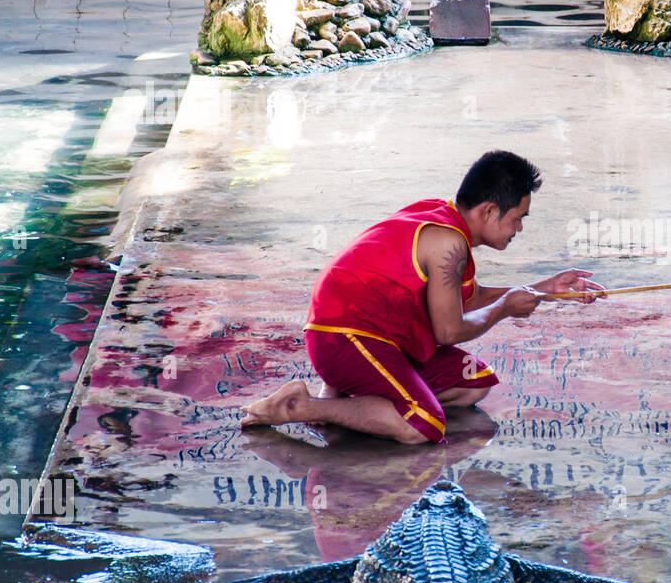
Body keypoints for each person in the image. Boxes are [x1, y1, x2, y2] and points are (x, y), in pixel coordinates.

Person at [241, 150, 603, 444]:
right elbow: (449, 330)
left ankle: (356, 406)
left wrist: (545, 288)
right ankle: (303, 407)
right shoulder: (449, 244)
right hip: (342, 337)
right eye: (518, 218)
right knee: (423, 424)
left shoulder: (442, 217)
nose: (520, 228)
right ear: (489, 211)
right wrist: (505, 309)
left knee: (472, 384)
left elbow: (467, 298)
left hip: (374, 337)